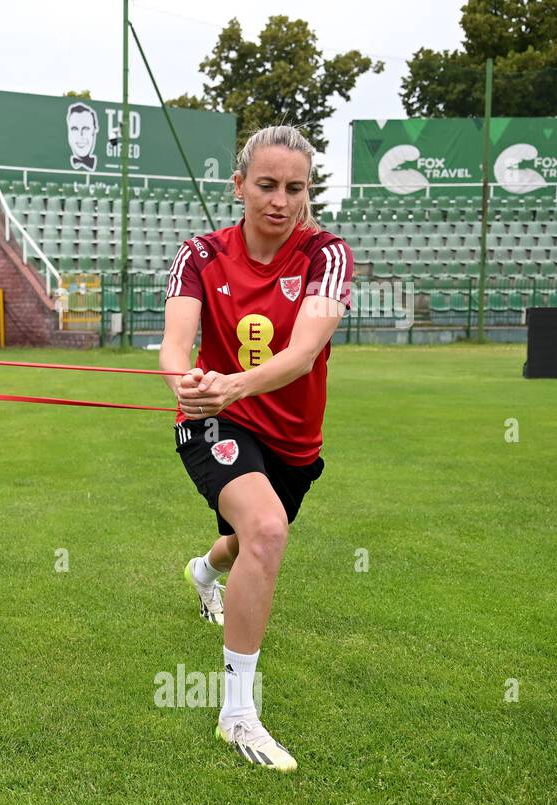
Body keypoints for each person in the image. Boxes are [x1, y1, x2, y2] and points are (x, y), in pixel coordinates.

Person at [159, 125, 353, 772]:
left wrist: (235, 382)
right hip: (215, 421)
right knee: (267, 530)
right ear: (238, 185)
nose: (281, 200)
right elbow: (173, 343)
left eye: (295, 188)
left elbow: (302, 355)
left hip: (292, 439)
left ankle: (203, 572)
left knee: (244, 544)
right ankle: (237, 715)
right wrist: (184, 382)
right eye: (266, 185)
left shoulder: (327, 255)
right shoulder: (200, 255)